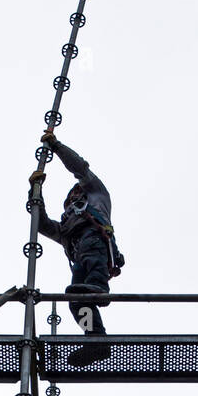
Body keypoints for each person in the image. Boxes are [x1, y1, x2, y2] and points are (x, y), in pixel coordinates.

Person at [29, 130, 124, 366]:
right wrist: (34, 193)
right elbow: (40, 224)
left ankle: (99, 288)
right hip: (79, 255)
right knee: (76, 300)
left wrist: (56, 146)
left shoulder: (96, 195)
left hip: (95, 242)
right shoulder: (66, 229)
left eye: (74, 197)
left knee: (92, 267)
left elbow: (79, 168)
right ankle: (96, 341)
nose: (71, 202)